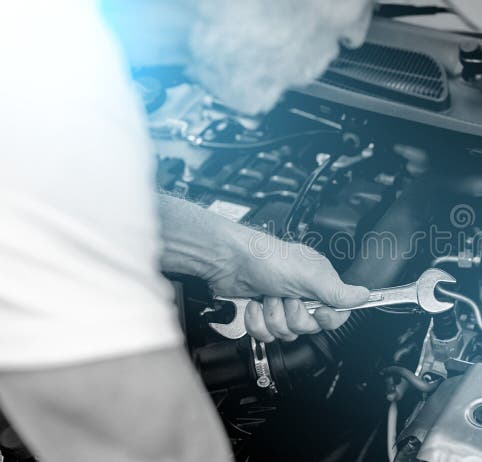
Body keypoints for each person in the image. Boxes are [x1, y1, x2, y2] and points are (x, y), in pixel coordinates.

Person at [0, 1, 374, 460]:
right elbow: (138, 440)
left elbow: (63, 204)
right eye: (367, 2)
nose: (358, 35)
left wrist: (232, 255)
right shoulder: (41, 72)